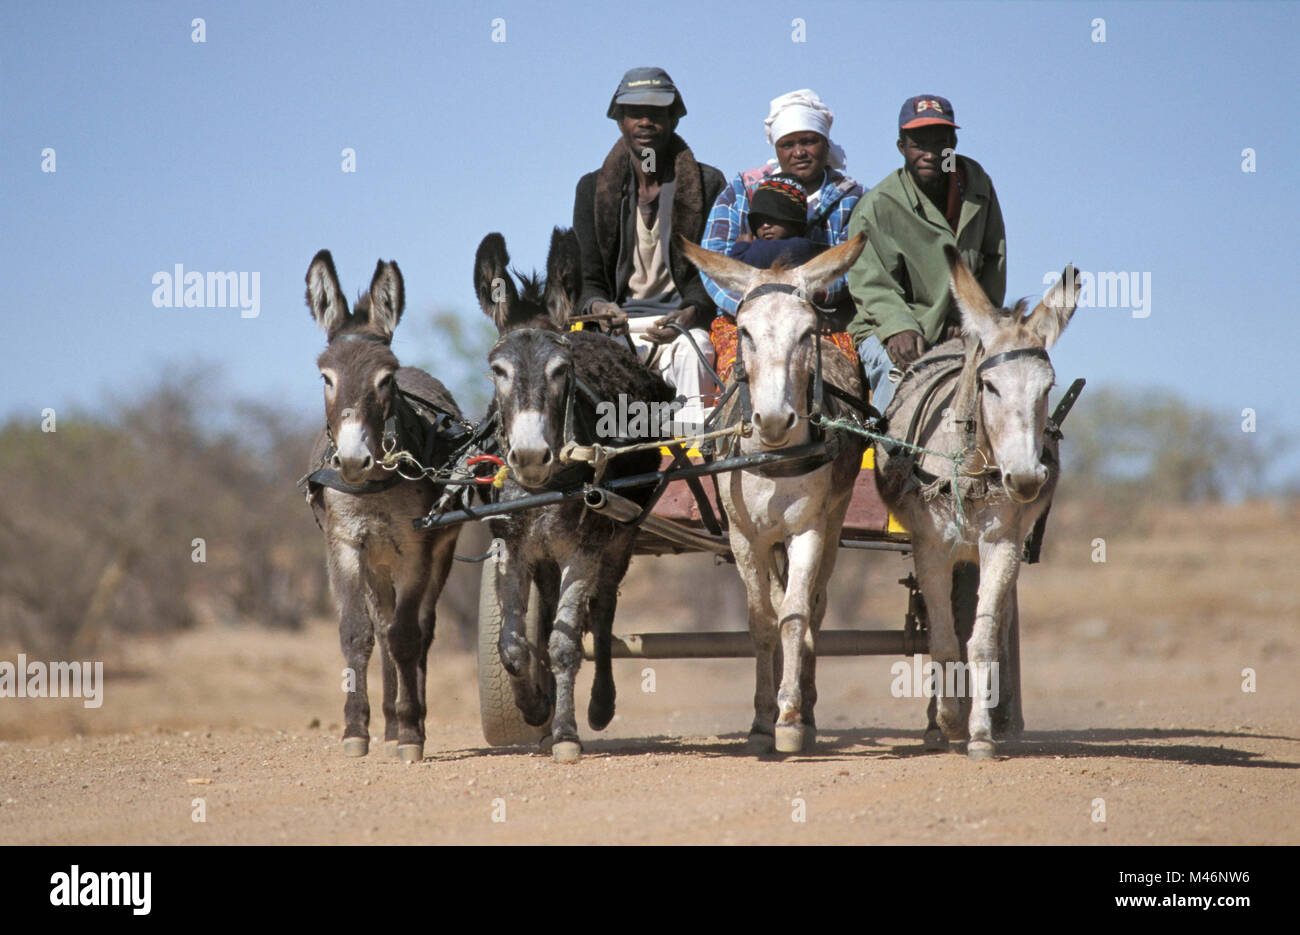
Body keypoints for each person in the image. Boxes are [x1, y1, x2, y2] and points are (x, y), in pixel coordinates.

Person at [572, 67, 727, 429]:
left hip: (681, 328)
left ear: (674, 119)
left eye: (656, 113)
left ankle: (695, 465)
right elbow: (588, 281)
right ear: (619, 121)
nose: (645, 122)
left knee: (697, 352)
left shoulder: (708, 183)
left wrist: (690, 314)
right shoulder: (591, 190)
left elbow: (715, 273)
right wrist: (599, 308)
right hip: (616, 329)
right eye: (634, 113)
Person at [846, 94, 1007, 413]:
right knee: (899, 385)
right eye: (919, 143)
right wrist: (898, 328)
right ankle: (881, 457)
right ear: (901, 147)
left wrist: (970, 318)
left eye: (940, 142)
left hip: (963, 325)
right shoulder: (877, 206)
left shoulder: (979, 187)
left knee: (1011, 377)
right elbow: (872, 285)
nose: (931, 153)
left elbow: (993, 259)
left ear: (954, 142)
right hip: (890, 326)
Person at [700, 89, 863, 383]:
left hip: (823, 321)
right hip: (745, 318)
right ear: (776, 148)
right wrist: (754, 308)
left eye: (808, 141)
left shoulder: (851, 197)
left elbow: (858, 267)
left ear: (825, 143)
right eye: (788, 144)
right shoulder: (741, 191)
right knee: (741, 382)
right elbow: (713, 265)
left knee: (837, 381)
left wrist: (814, 298)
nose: (798, 152)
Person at [730, 174, 826, 269]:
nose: (765, 225)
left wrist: (741, 246)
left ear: (794, 221)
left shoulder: (801, 247)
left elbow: (738, 262)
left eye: (773, 218)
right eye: (758, 221)